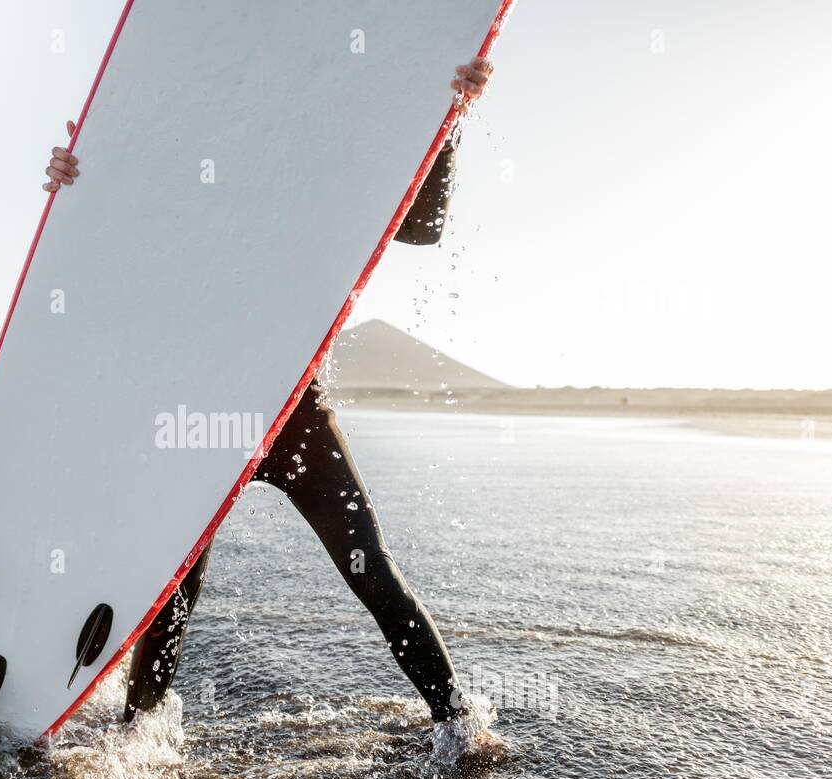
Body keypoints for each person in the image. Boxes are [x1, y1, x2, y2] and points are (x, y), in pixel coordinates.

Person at [43, 58, 495, 727]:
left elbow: (420, 227)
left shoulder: (317, 180)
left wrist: (450, 118)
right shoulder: (176, 183)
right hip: (202, 416)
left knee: (371, 570)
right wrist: (74, 182)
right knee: (173, 589)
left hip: (293, 413)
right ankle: (134, 738)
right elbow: (104, 242)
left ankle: (459, 725)